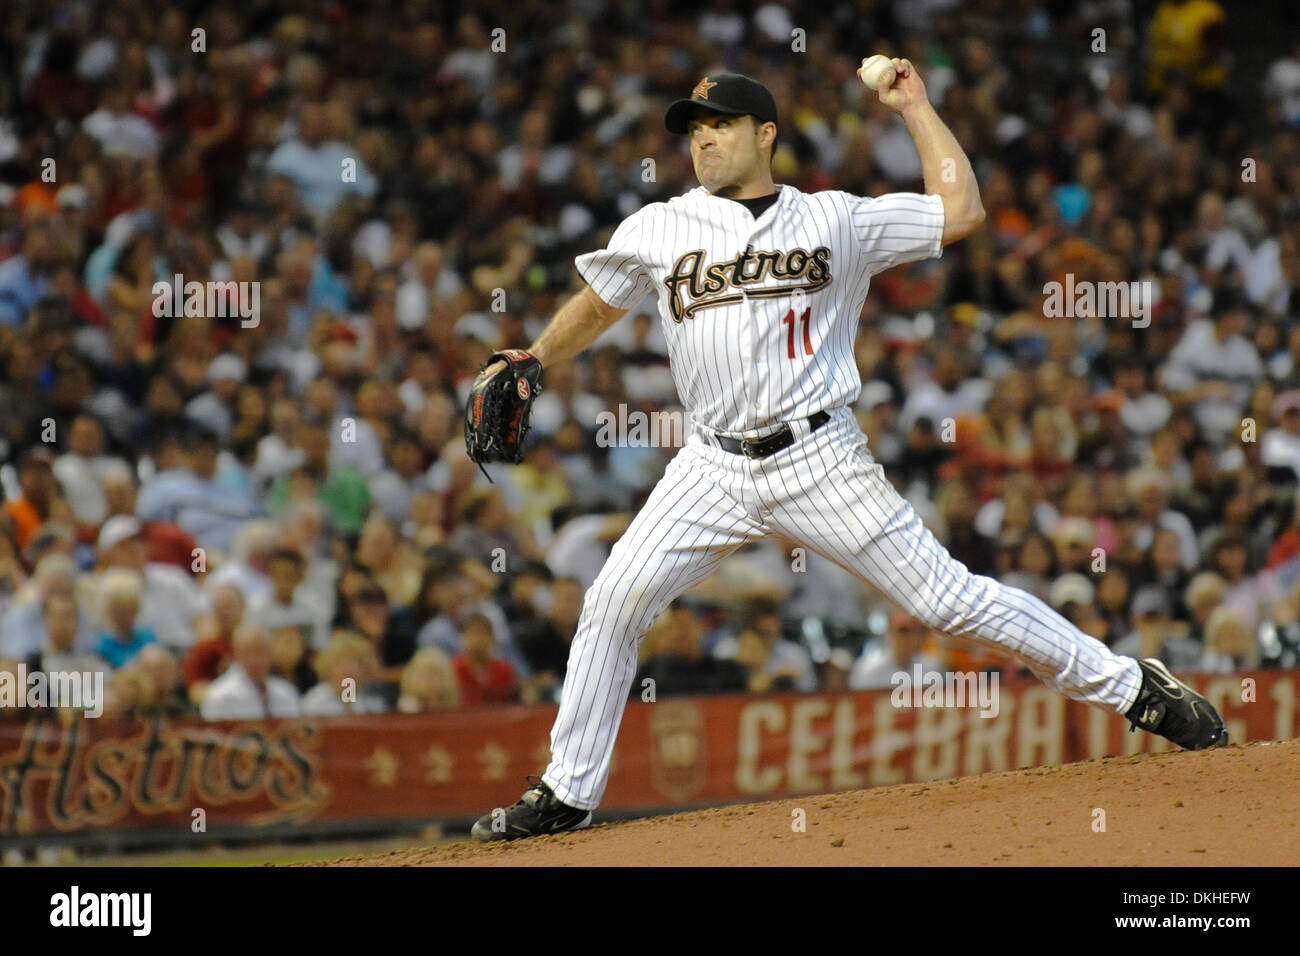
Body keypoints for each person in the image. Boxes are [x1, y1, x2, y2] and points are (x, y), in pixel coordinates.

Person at [468, 66, 1228, 842]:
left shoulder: (835, 219)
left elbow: (960, 210)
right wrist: (534, 355)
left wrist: (916, 107)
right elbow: (601, 301)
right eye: (694, 126)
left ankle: (1135, 688)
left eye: (721, 123)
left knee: (949, 605)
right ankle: (568, 790)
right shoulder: (659, 226)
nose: (703, 137)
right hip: (710, 466)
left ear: (766, 135)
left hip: (818, 455)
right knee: (613, 601)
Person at [200, 624, 301, 720]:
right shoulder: (218, 696)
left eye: (261, 651)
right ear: (236, 653)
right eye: (248, 652)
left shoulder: (286, 692)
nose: (256, 660)